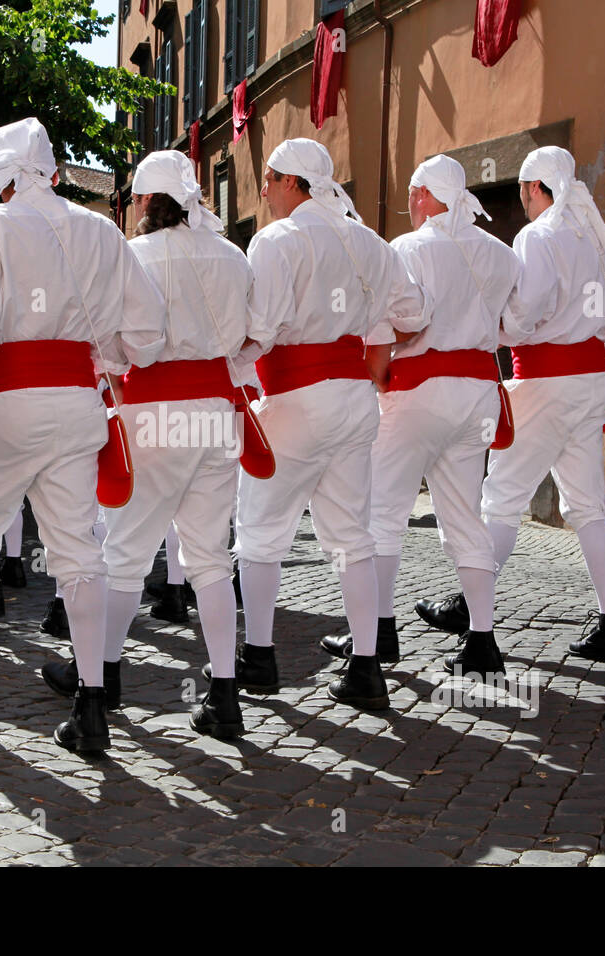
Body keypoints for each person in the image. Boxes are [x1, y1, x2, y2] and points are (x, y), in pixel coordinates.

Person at [0, 117, 164, 754]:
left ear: (1, 175)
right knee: (79, 551)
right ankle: (90, 701)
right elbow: (146, 333)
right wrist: (97, 355)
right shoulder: (102, 231)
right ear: (53, 169)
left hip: (5, 401)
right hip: (77, 403)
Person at [40, 149, 261, 737]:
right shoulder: (233, 256)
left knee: (123, 554)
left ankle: (102, 676)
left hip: (153, 410)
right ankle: (223, 693)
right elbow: (259, 334)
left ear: (144, 201)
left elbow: (109, 341)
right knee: (211, 557)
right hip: (216, 411)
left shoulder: (132, 254)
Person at [215, 138, 418, 710]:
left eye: (270, 178)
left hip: (295, 398)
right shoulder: (370, 243)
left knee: (258, 530)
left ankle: (258, 656)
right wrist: (361, 338)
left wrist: (225, 361)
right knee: (352, 535)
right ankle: (365, 666)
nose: (262, 189)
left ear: (291, 183)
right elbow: (414, 312)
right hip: (354, 399)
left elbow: (262, 326)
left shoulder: (278, 240)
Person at [417, 145, 605, 669]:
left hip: (543, 378)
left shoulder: (538, 237)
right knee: (586, 507)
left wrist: (493, 330)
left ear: (536, 188)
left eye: (523, 190)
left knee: (502, 498)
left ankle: (475, 617)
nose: (523, 199)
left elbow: (522, 313)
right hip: (592, 377)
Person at [324, 155, 519, 679]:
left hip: (416, 391)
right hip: (478, 391)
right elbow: (514, 325)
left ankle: (378, 632)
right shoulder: (502, 255)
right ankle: (482, 640)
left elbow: (392, 322)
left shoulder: (405, 249)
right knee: (464, 516)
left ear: (422, 196)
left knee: (382, 514)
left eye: (414, 195)